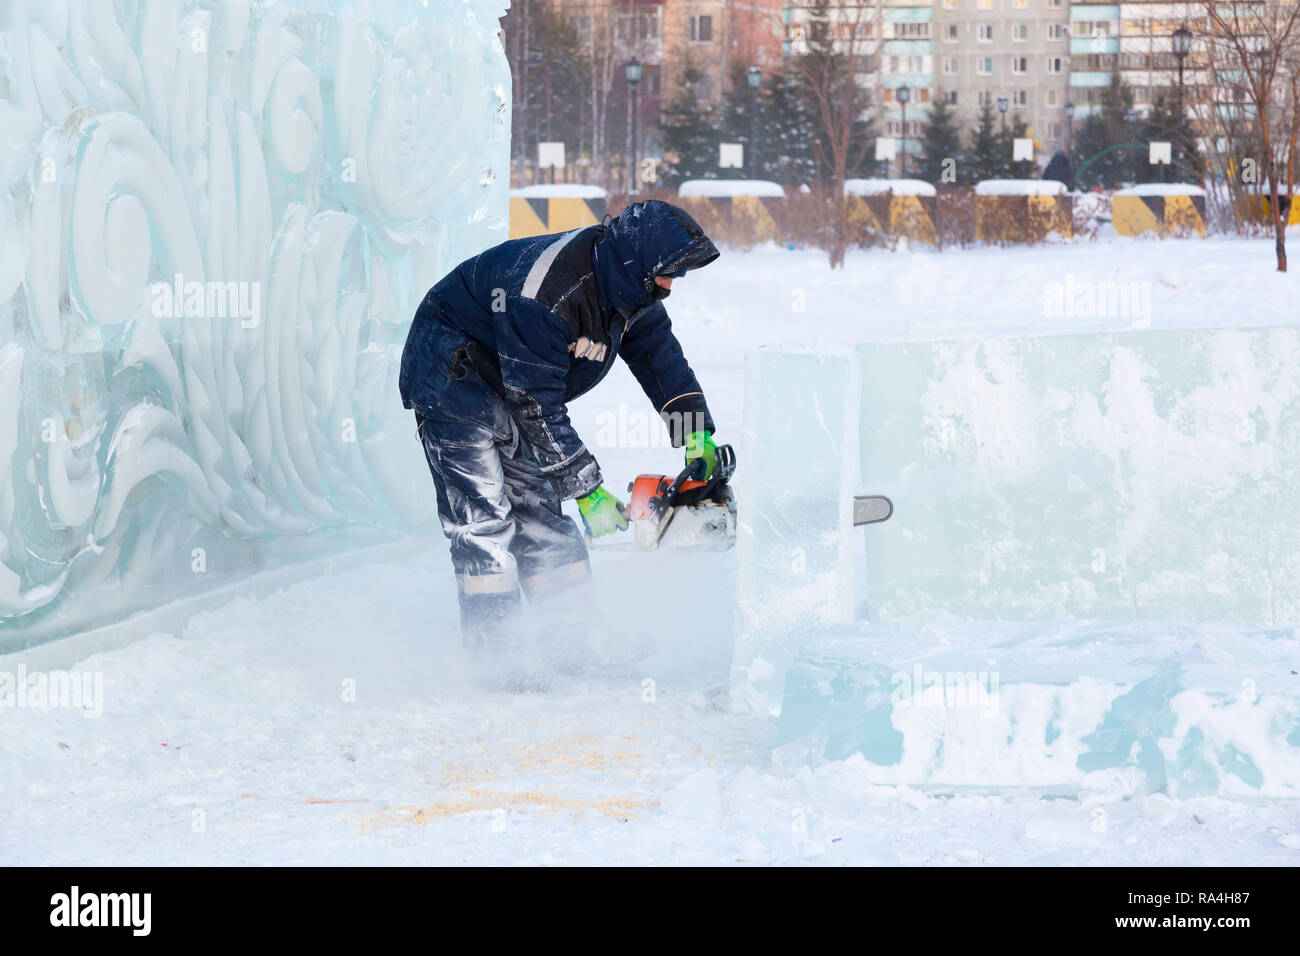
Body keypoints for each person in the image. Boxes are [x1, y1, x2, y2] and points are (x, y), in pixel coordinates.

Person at [399, 200, 722, 647]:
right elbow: (535, 401)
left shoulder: (632, 287)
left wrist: (695, 433)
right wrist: (586, 489)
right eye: (667, 273)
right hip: (453, 373)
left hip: (515, 377)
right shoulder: (546, 292)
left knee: (543, 517)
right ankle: (497, 655)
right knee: (484, 520)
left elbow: (659, 357)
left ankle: (572, 644)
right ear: (638, 262)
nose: (671, 285)